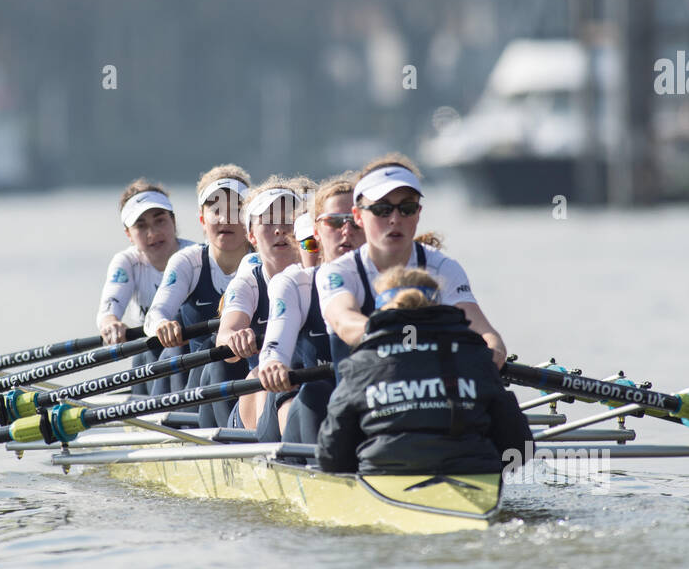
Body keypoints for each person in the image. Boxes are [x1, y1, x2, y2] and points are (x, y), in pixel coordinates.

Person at [316, 268, 532, 475]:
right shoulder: (476, 356)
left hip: (382, 481)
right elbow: (520, 446)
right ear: (438, 307)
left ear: (381, 309)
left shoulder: (361, 363)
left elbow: (331, 456)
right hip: (474, 479)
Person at [317, 154, 507, 375]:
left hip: (433, 399)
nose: (395, 219)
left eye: (406, 208)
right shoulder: (339, 272)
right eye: (382, 209)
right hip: (362, 400)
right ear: (358, 216)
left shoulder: (442, 268)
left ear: (418, 214)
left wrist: (494, 350)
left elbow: (484, 332)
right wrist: (402, 333)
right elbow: (344, 321)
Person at [253, 173, 366, 443]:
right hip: (303, 405)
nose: (345, 232)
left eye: (353, 224)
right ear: (317, 232)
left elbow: (412, 337)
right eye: (335, 223)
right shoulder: (292, 283)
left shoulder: (391, 277)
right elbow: (275, 346)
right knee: (315, 390)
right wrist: (273, 364)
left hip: (365, 401)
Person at [144, 164, 254, 401]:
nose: (225, 218)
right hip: (200, 383)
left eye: (236, 209)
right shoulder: (188, 262)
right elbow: (156, 314)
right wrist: (162, 325)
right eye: (216, 210)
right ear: (203, 219)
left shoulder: (265, 261)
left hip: (254, 380)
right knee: (189, 351)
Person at [208, 177, 303, 430]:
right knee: (259, 375)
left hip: (305, 385)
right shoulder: (248, 282)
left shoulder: (321, 275)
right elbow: (225, 334)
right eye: (269, 221)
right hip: (258, 397)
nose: (280, 229)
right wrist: (235, 339)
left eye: (288, 220)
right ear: (250, 234)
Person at [96, 179, 194, 345]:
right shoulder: (127, 262)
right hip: (151, 352)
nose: (153, 233)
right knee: (145, 356)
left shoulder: (197, 256)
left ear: (173, 221)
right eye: (141, 226)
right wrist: (111, 324)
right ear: (129, 234)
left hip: (196, 347)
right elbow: (110, 305)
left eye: (160, 221)